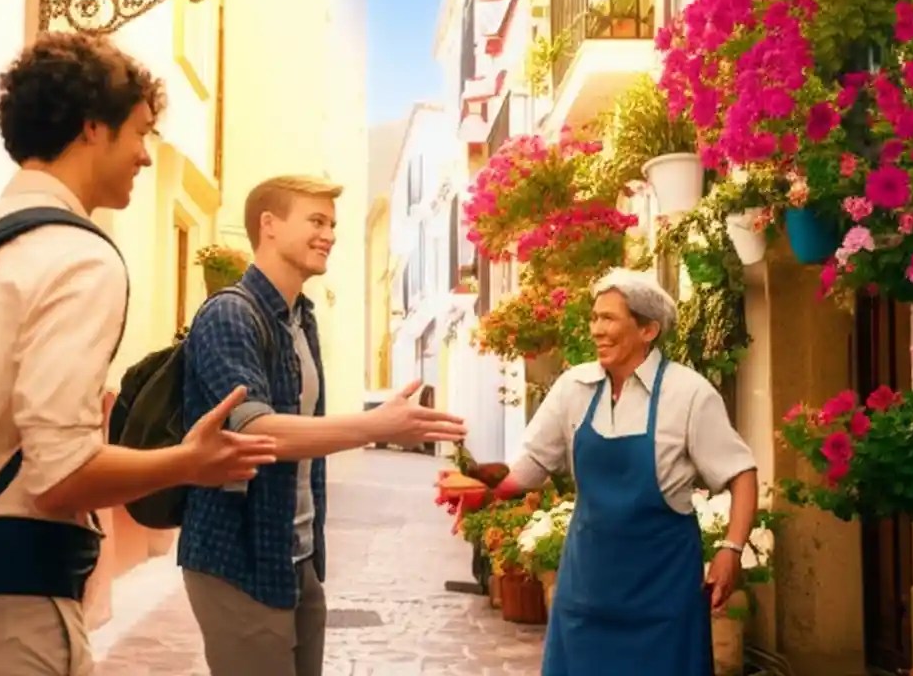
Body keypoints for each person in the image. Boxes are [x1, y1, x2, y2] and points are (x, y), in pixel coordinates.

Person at [0, 32, 278, 676]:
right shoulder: (79, 257)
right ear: (92, 128)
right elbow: (59, 475)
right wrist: (187, 462)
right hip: (4, 618)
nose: (146, 156)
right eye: (140, 133)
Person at [179, 175, 469, 676]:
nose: (329, 235)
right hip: (239, 559)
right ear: (268, 226)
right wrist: (375, 426)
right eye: (316, 221)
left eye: (332, 224)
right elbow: (257, 432)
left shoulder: (300, 319)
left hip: (298, 556)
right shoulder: (230, 315)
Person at [494, 268, 758, 676]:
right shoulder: (573, 389)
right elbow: (528, 468)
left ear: (648, 330)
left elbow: (741, 473)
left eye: (609, 319)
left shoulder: (688, 394)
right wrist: (484, 489)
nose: (597, 329)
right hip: (586, 593)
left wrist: (732, 549)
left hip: (663, 597)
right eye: (595, 317)